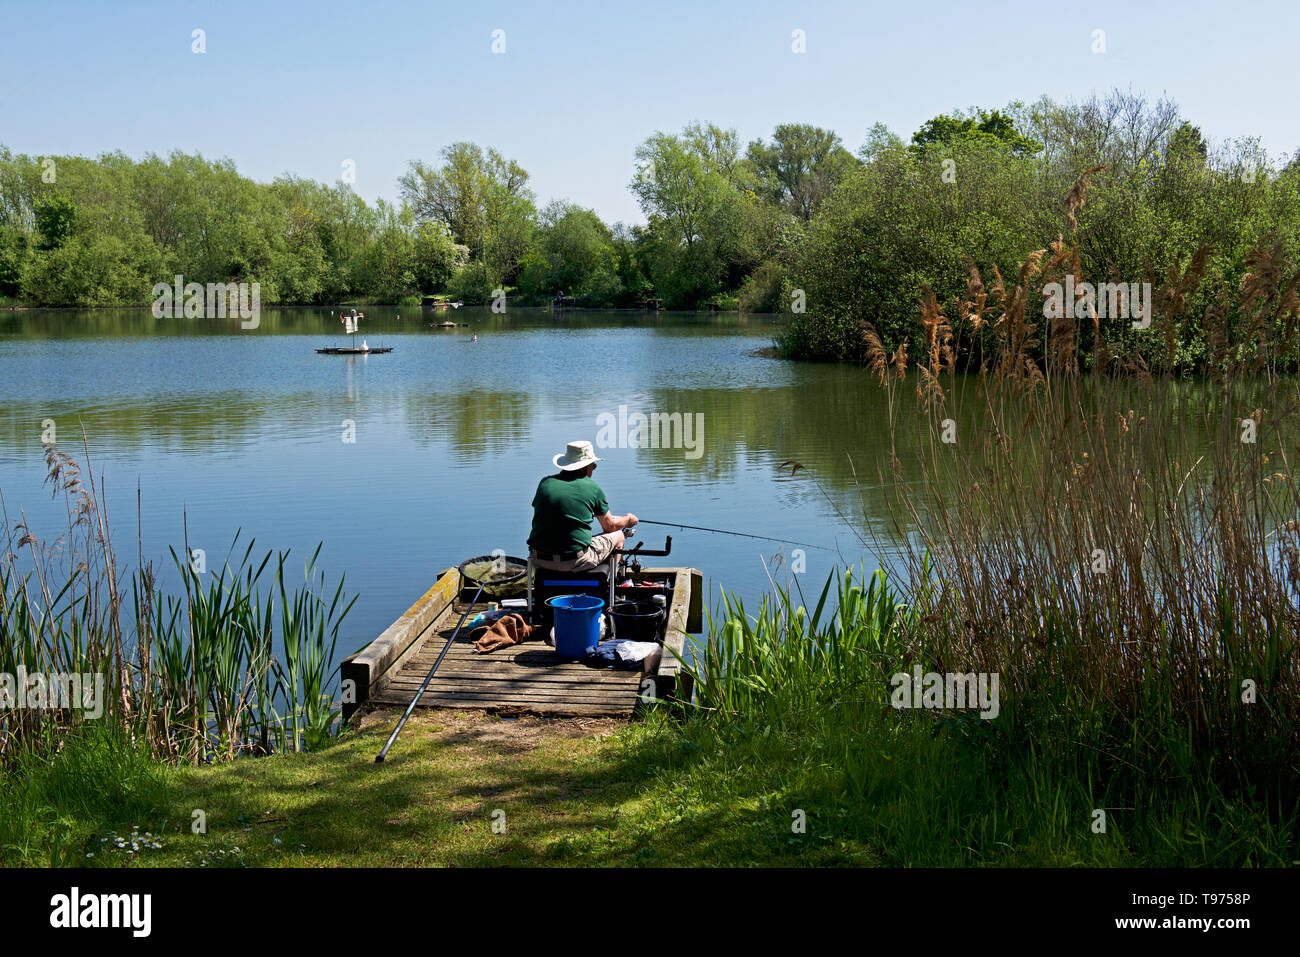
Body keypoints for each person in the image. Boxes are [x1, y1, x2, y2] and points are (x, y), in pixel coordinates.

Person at [528, 440, 637, 572]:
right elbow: (609, 526)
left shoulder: (545, 483)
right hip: (573, 561)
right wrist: (628, 519)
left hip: (538, 560)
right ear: (583, 467)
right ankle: (606, 585)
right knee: (618, 535)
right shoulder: (592, 488)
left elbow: (555, 515)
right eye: (593, 466)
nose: (594, 469)